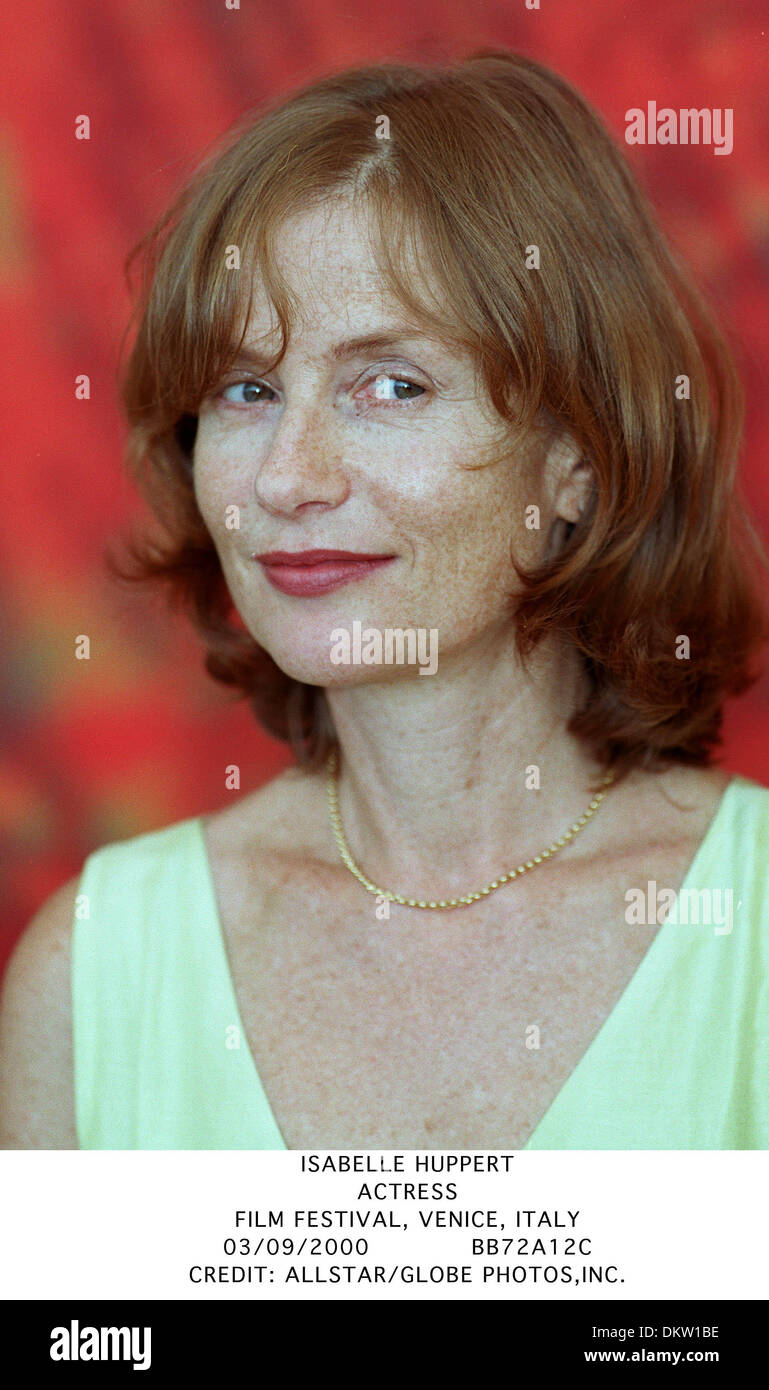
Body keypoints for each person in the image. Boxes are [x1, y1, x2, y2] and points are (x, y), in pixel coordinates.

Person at [2, 49, 768, 1151]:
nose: (286, 475)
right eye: (246, 389)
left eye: (392, 385)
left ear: (578, 460)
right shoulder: (95, 965)